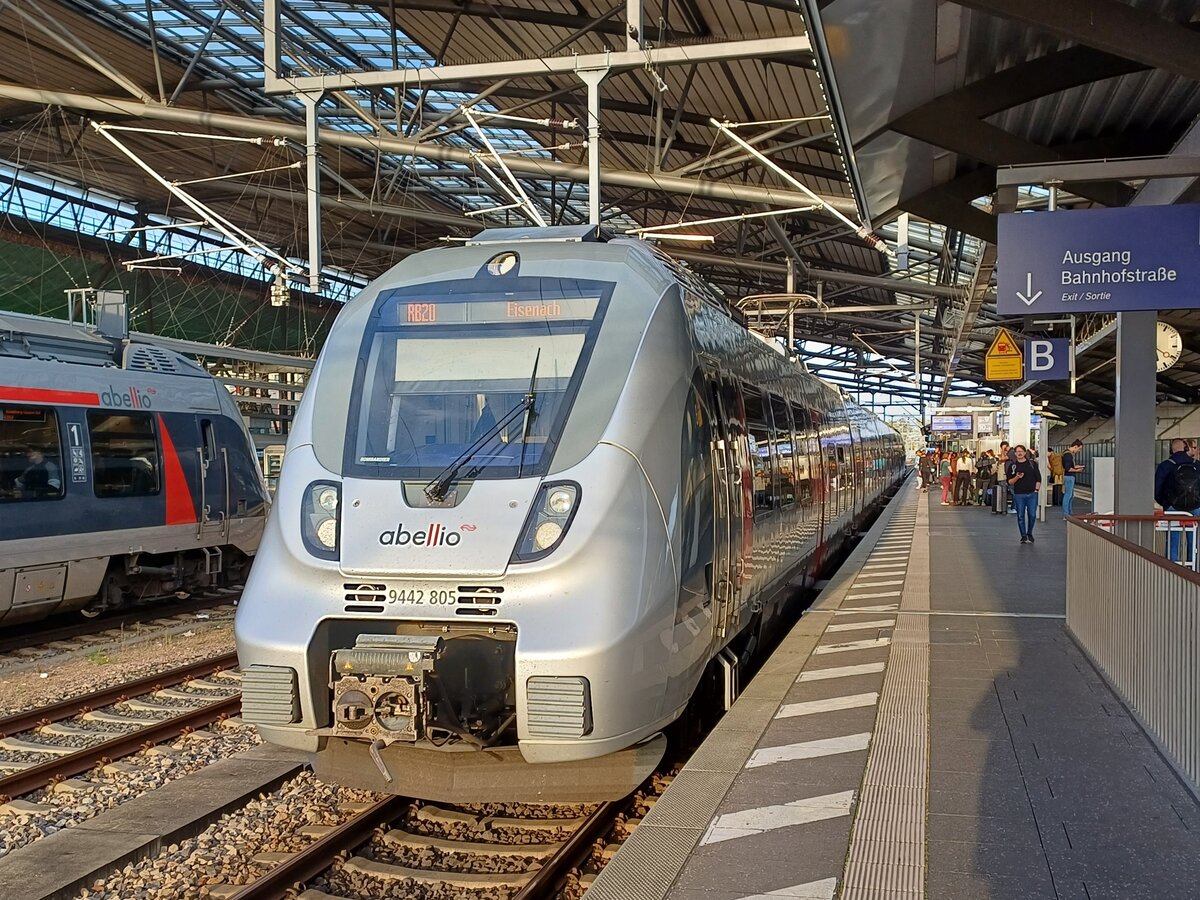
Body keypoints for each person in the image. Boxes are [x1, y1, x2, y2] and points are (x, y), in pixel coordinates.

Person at [1154, 439, 1200, 563]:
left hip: (1172, 507)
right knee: (1195, 539)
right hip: (1195, 506)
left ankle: (1171, 567)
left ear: (1171, 449)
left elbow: (1157, 489)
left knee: (1173, 539)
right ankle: (1194, 567)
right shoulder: (1196, 464)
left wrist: (1166, 504)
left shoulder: (1165, 466)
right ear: (1185, 448)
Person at [1007, 444, 1042, 544]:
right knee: (1020, 516)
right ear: (1015, 453)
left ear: (1025, 452)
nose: (1019, 453)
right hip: (1019, 494)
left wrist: (1036, 490)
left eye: (1021, 451)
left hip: (1032, 494)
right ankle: (1023, 535)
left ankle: (1029, 532)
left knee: (1032, 515)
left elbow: (1038, 478)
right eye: (1017, 451)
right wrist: (1017, 477)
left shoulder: (1032, 464)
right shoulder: (1013, 466)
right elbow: (1009, 482)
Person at [1061, 439, 1084, 518]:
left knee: (1070, 495)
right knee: (1068, 495)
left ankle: (1069, 512)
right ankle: (1066, 514)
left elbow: (1070, 466)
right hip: (1069, 477)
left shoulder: (1066, 453)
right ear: (1075, 446)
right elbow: (1068, 468)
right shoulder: (1068, 455)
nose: (1079, 451)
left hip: (1068, 476)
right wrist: (1077, 470)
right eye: (1079, 449)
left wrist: (1077, 467)